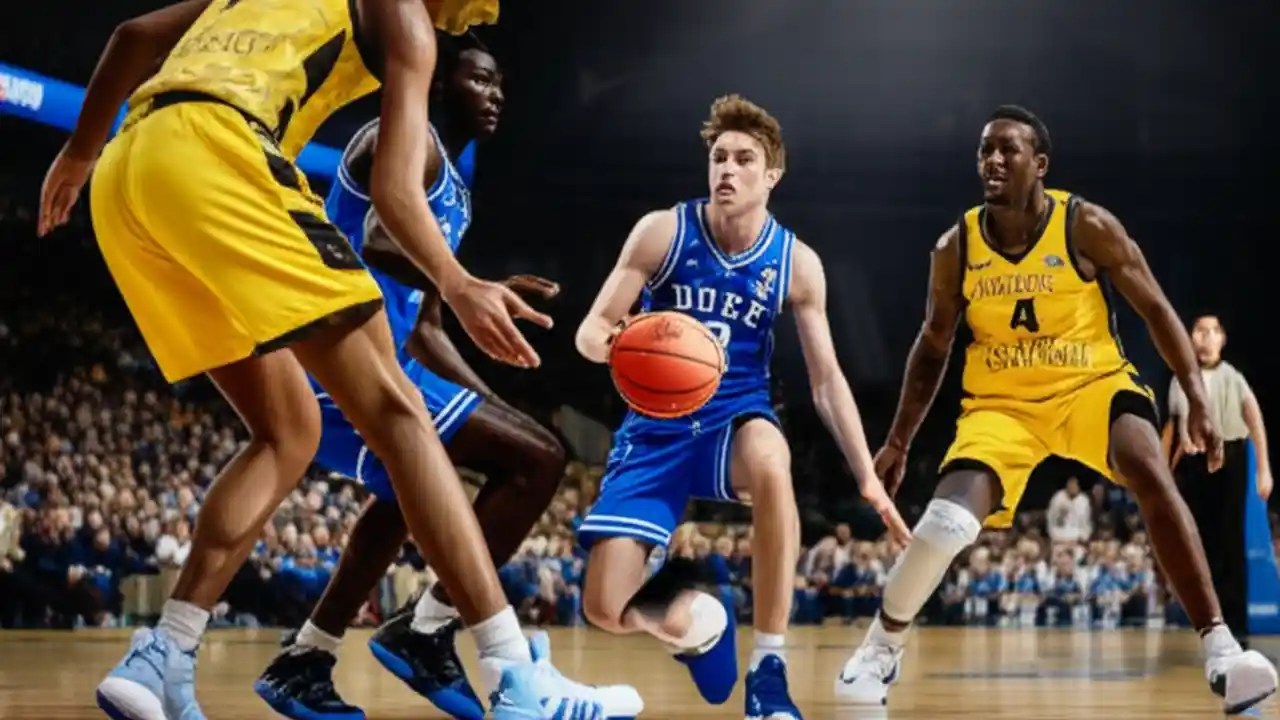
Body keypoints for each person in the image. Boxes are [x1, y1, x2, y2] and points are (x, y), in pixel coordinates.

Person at [37, 1, 608, 718]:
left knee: (287, 432)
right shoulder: (405, 17)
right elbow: (395, 196)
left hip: (129, 175)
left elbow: (132, 37)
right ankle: (513, 677)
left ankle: (163, 655)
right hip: (222, 149)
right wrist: (460, 284)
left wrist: (82, 151)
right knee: (402, 415)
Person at [834, 105, 1278, 714]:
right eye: (985, 150)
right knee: (943, 526)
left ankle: (1222, 651)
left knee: (1149, 466)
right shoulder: (955, 246)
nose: (992, 160)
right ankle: (880, 648)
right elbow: (933, 344)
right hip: (1001, 406)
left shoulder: (1086, 225)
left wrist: (1195, 396)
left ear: (1039, 164)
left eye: (1007, 150)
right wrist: (900, 441)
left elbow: (1155, 309)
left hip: (1090, 386)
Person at [252, 34, 639, 720]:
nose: (495, 97)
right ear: (436, 83)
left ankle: (304, 659)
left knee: (416, 493)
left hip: (384, 362)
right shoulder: (410, 143)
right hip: (336, 361)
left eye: (500, 86)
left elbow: (427, 327)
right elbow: (373, 241)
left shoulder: (455, 172)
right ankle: (426, 630)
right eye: (480, 81)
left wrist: (493, 405)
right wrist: (472, 283)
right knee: (540, 461)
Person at [574, 94, 910, 720]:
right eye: (718, 157)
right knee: (603, 606)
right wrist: (620, 345)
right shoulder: (663, 231)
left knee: (772, 456)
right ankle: (698, 616)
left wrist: (866, 476)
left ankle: (770, 668)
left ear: (771, 175)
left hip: (735, 421)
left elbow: (827, 380)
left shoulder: (796, 263)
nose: (727, 169)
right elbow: (590, 331)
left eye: (744, 159)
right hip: (655, 427)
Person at [1165, 314, 1272, 649]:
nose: (1206, 338)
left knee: (1230, 540)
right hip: (1193, 462)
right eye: (1199, 331)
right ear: (1191, 338)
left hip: (1231, 457)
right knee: (1198, 542)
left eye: (1212, 332)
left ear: (1222, 339)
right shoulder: (1180, 378)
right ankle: (1208, 623)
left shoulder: (1232, 378)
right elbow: (1172, 428)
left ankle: (1235, 622)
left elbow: (1255, 420)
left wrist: (1264, 469)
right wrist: (1163, 473)